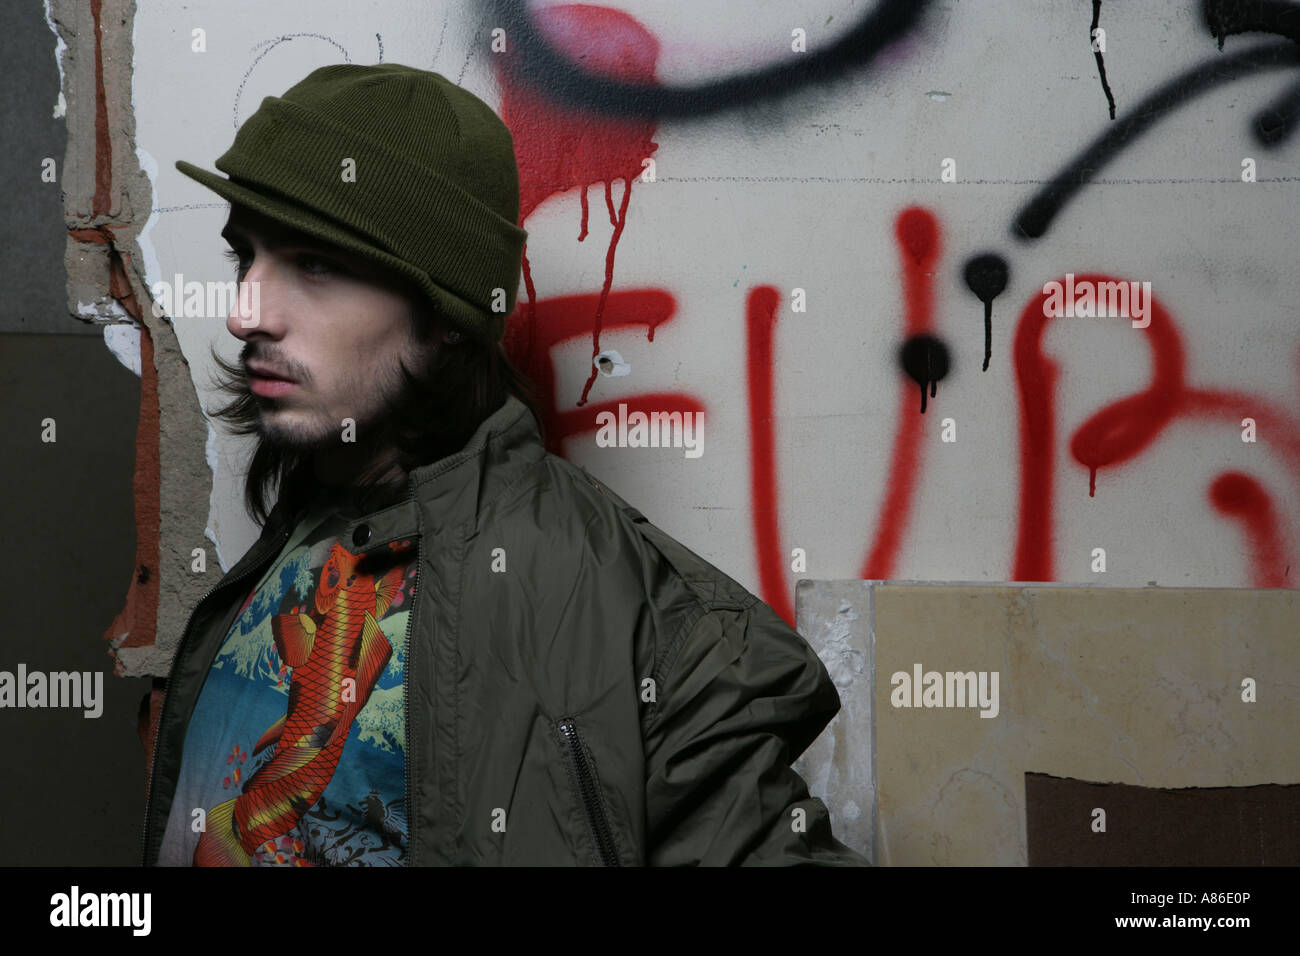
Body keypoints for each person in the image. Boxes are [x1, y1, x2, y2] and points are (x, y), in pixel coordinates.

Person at [142, 62, 866, 866]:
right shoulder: (297, 531)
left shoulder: (635, 623)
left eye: (316, 265)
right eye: (246, 254)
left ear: (449, 316)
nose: (245, 311)